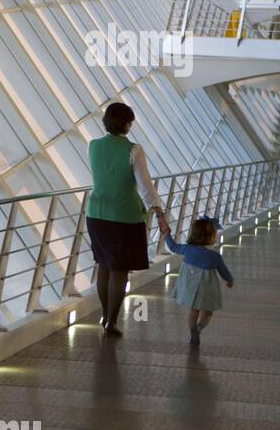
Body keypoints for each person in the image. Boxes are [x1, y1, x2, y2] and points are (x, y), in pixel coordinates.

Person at [85, 102, 167, 337]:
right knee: (120, 270)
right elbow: (145, 187)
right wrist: (159, 212)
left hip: (96, 214)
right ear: (126, 123)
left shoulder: (93, 146)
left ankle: (104, 313)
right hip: (124, 217)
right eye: (130, 121)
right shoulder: (134, 150)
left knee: (103, 265)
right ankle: (111, 321)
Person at [163, 216, 233, 346]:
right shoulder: (215, 257)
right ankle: (198, 328)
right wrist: (230, 280)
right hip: (207, 290)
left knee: (193, 311)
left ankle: (192, 333)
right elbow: (224, 271)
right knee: (208, 312)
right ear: (210, 237)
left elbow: (173, 247)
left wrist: (167, 234)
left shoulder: (188, 249)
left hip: (191, 288)